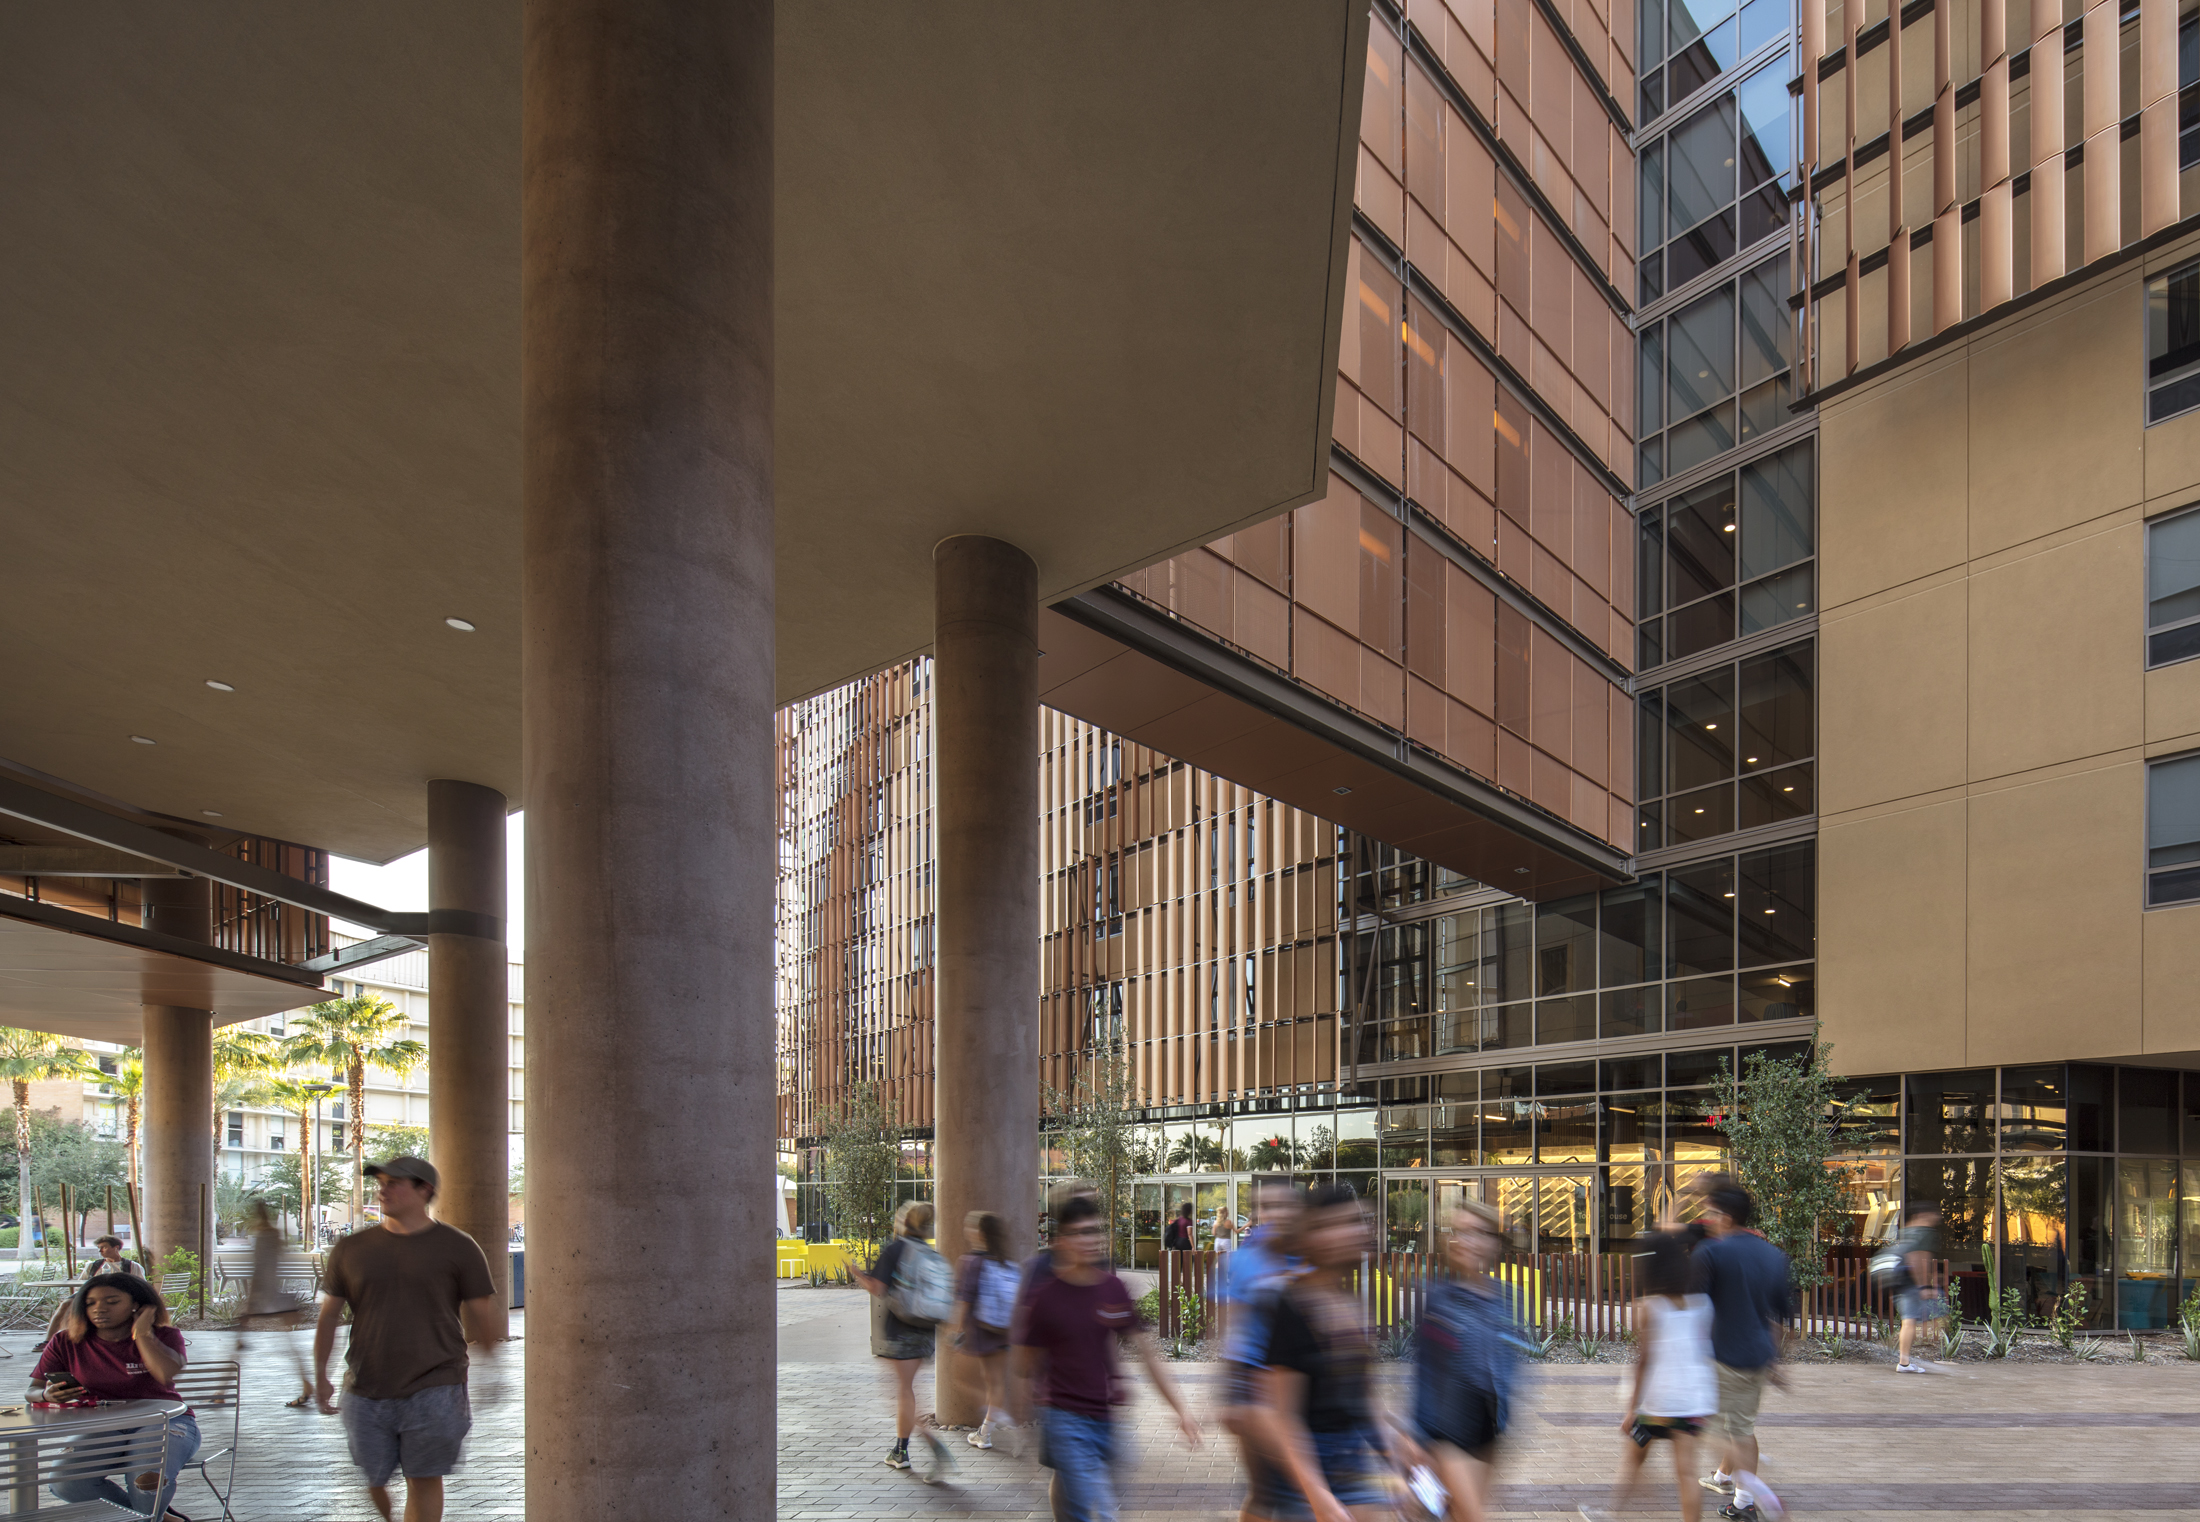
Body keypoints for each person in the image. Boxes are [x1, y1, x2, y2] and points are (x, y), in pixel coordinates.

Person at [313, 1156, 502, 1522]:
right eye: (380, 1182)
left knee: (424, 1479)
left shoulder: (458, 1246)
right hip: (365, 1386)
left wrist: (491, 1366)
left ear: (424, 1190)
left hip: (436, 1384)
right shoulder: (351, 1249)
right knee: (373, 1478)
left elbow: (482, 1311)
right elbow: (329, 1316)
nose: (383, 1189)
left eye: (394, 1183)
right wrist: (321, 1374)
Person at [1012, 1193, 1200, 1521]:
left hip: (1106, 1415)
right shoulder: (1044, 1298)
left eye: (1095, 1231)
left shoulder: (1113, 1289)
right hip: (1063, 1416)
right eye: (1080, 1232)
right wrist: (1025, 1422)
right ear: (1061, 1241)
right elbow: (1024, 1366)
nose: (1090, 1240)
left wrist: (1180, 1409)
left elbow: (1147, 1355)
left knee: (1089, 1501)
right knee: (1098, 1508)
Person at [1241, 1182, 1395, 1522]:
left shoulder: (1353, 1304)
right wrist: (1318, 1496)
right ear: (1311, 1237)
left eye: (1357, 1221)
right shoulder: (1290, 1304)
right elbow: (1285, 1418)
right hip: (1304, 1466)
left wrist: (1398, 1454)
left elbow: (1363, 1398)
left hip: (1350, 1460)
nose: (1353, 1232)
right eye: (1336, 1224)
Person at [35, 1275, 200, 1519]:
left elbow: (165, 1374)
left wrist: (142, 1334)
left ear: (137, 1305)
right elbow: (32, 1390)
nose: (99, 1308)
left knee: (146, 1482)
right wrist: (46, 1394)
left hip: (166, 1421)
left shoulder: (165, 1335)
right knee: (66, 1482)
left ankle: (153, 1516)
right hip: (103, 1425)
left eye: (112, 1301)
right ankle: (158, 1518)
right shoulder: (65, 1341)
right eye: (90, 1303)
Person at [1579, 1231, 1717, 1522]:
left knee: (1633, 1459)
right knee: (1687, 1472)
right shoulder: (1702, 1303)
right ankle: (1613, 1512)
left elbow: (1643, 1362)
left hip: (1659, 1404)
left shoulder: (1649, 1308)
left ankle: (1611, 1513)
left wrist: (1632, 1407)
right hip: (1694, 1400)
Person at [1398, 1198, 1518, 1522]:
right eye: (1460, 1232)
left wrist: (1506, 1422)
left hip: (1488, 1433)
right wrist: (1418, 1439)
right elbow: (1426, 1374)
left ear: (1493, 1243)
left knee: (1457, 1515)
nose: (1467, 1241)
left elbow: (1511, 1366)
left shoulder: (1505, 1299)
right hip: (1446, 1434)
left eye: (1478, 1233)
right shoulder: (1440, 1299)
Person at [1691, 1183, 1794, 1521]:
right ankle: (1740, 1498)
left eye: (1710, 1212)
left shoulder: (1711, 1253)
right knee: (1743, 1428)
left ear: (1725, 1216)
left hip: (1720, 1356)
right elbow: (1781, 1317)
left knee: (1706, 1428)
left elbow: (1694, 1310)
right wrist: (1776, 1361)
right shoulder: (1774, 1255)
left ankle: (1752, 1489)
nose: (1707, 1218)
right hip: (1757, 1357)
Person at [852, 1199, 952, 1478]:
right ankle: (900, 1450)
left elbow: (878, 1288)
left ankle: (926, 1447)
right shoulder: (929, 1252)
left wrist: (858, 1274)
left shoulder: (897, 1249)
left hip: (901, 1330)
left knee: (901, 1395)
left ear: (904, 1222)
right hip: (925, 1330)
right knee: (903, 1392)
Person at [238, 1200, 316, 1407]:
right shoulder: (275, 1235)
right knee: (290, 1344)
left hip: (263, 1298)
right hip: (277, 1296)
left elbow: (259, 1270)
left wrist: (250, 1303)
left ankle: (221, 1390)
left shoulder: (261, 1237)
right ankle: (307, 1383)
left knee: (239, 1343)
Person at [951, 1209, 1018, 1451]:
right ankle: (986, 1432)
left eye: (971, 1227)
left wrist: (957, 1331)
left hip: (978, 1331)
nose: (967, 1230)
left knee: (960, 1378)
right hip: (1002, 1330)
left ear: (979, 1233)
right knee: (996, 1383)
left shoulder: (970, 1262)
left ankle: (998, 1421)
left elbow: (965, 1299)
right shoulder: (1005, 1263)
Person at [39, 1233, 145, 1342]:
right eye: (99, 1248)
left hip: (119, 1296)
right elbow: (81, 1283)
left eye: (104, 1247)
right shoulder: (93, 1266)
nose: (100, 1251)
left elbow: (141, 1286)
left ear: (116, 1248)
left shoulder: (132, 1266)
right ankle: (49, 1340)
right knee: (65, 1305)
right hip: (90, 1295)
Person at [1889, 1203, 1945, 1374]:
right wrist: (1924, 1286)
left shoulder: (1906, 1231)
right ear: (1924, 1215)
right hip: (1911, 1282)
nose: (1937, 1218)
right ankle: (1904, 1348)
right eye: (1934, 1214)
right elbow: (1919, 1260)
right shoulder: (1923, 1233)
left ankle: (1904, 1361)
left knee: (1909, 1321)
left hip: (1900, 1280)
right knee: (1940, 1315)